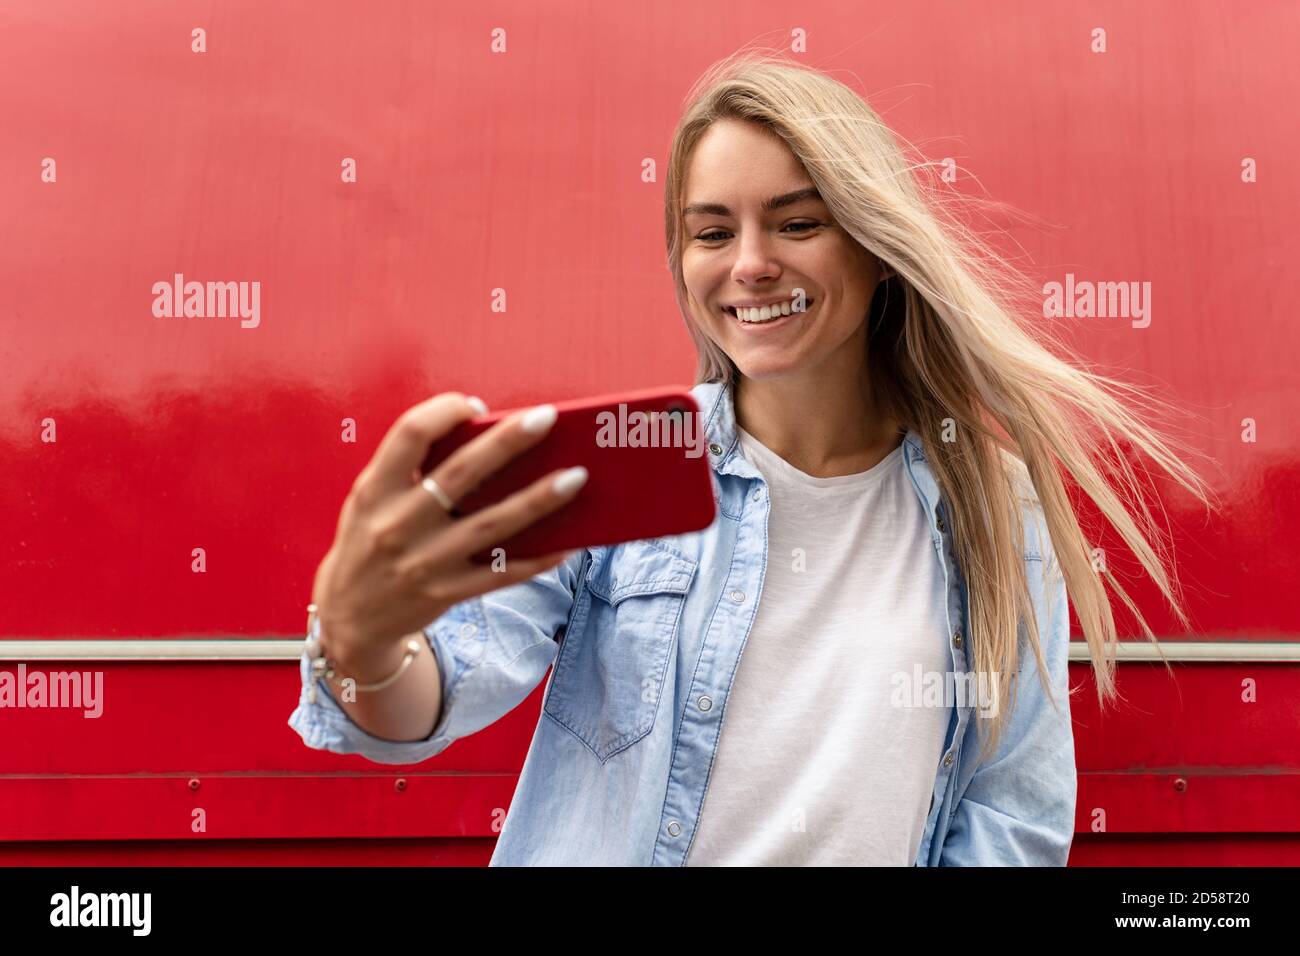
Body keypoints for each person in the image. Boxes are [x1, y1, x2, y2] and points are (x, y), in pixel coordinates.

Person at [289, 50, 1212, 865]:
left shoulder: (992, 506)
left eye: (798, 223)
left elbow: (1013, 814)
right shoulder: (630, 458)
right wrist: (363, 645)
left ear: (876, 246)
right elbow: (428, 697)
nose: (751, 264)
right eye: (713, 232)